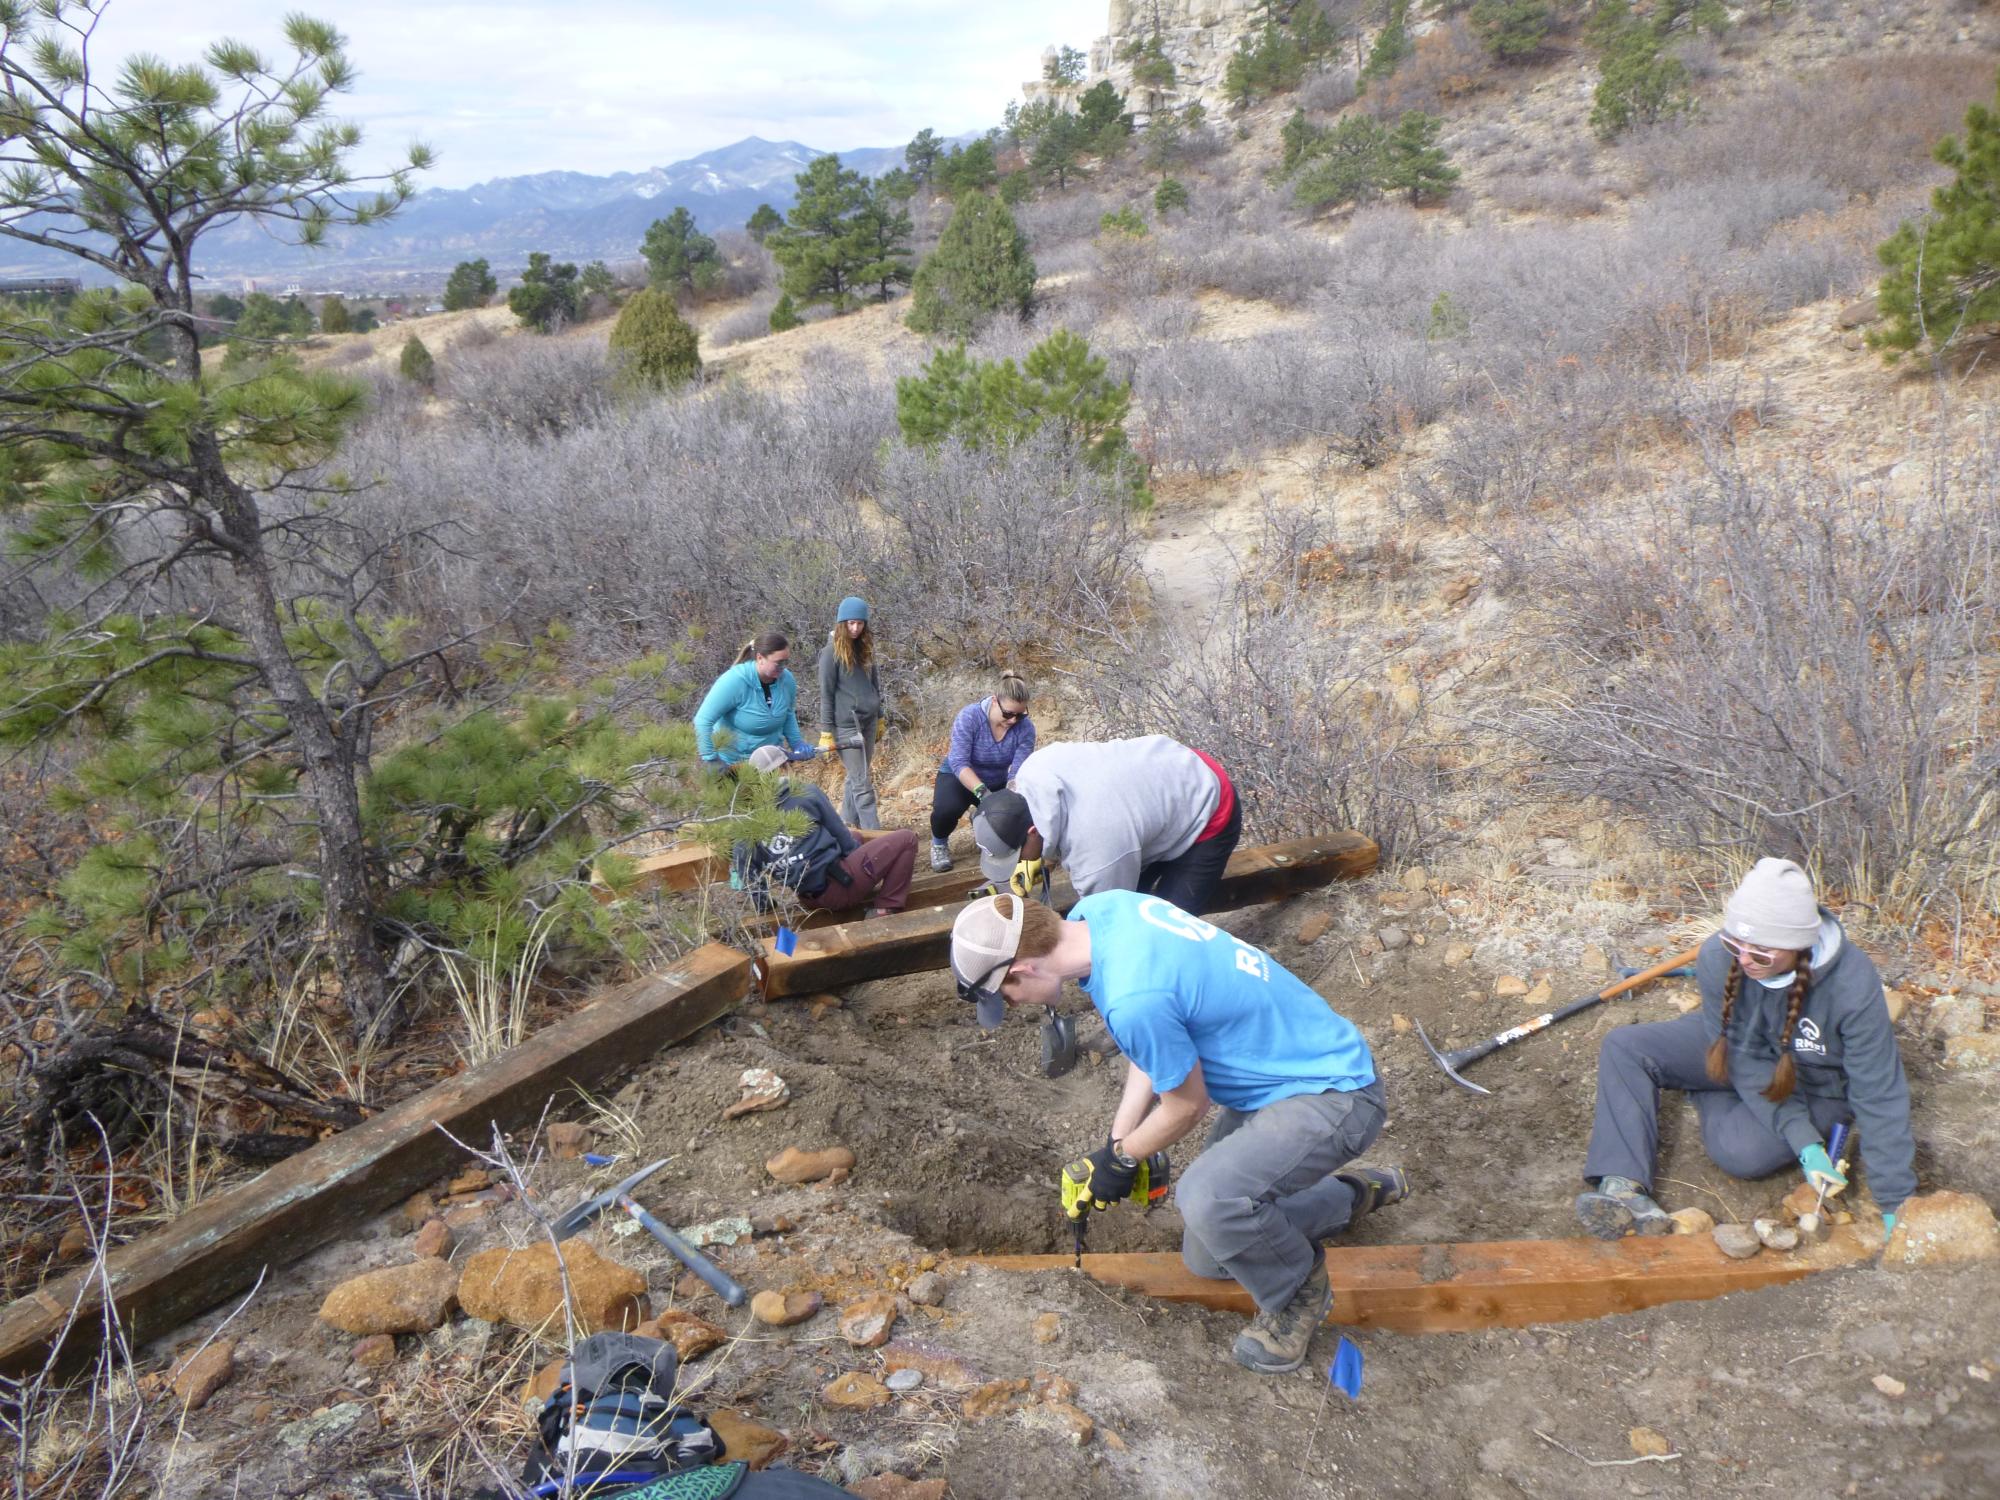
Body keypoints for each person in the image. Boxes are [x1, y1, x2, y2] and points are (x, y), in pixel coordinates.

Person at [949, 889, 1407, 1374]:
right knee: (1209, 1258)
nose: (1015, 1005)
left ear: (1022, 971)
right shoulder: (1104, 913)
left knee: (1209, 1200)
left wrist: (1124, 1160)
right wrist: (1117, 1143)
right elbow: (1155, 1045)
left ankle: (1299, 1295)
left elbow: (1186, 1107)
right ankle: (1350, 1196)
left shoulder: (1132, 995)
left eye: (1008, 997)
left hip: (1334, 1094)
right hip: (1276, 1077)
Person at [1574, 857, 1916, 1240]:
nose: (1745, 960)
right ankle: (1624, 1188)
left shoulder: (1851, 985)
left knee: (1741, 1153)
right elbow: (1742, 1052)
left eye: (1762, 953)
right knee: (1626, 1047)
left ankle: (1709, 1092)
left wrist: (1895, 1206)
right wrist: (1801, 1140)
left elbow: (1879, 1093)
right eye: (1735, 943)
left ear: (1798, 946)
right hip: (1735, 1046)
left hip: (1812, 1080)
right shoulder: (1720, 957)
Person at [971, 735, 1242, 915]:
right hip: (1160, 777)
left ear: (1032, 832)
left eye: (1016, 856)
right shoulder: (1033, 769)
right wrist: (1044, 857)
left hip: (1207, 803)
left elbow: (1110, 920)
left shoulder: (1097, 851)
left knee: (1168, 926)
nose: (1017, 863)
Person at [734, 744, 917, 917]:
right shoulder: (806, 794)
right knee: (907, 839)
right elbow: (843, 839)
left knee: (857, 836)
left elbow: (745, 867)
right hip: (839, 890)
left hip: (807, 898)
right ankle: (886, 908)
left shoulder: (747, 818)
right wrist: (862, 870)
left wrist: (763, 904)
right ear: (783, 768)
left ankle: (849, 888)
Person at [929, 674, 1035, 873]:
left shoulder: (1025, 728)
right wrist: (983, 793)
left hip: (996, 779)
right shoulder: (970, 716)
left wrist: (1008, 799)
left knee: (1013, 811)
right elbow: (959, 761)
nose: (1014, 720)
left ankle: (992, 838)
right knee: (946, 810)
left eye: (1020, 715)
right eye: (1008, 714)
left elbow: (1019, 770)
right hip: (958, 776)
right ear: (995, 700)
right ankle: (939, 844)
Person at [693, 631, 815, 774]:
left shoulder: (787, 680)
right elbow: (702, 720)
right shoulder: (734, 681)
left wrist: (797, 743)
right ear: (760, 658)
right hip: (734, 765)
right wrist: (711, 759)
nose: (783, 667)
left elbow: (788, 714)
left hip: (772, 762)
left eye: (786, 662)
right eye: (778, 663)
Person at [816, 596, 883, 830]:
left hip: (869, 720)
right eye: (850, 623)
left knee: (855, 777)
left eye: (860, 623)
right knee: (862, 784)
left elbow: (875, 685)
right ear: (841, 623)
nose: (855, 628)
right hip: (846, 725)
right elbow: (826, 695)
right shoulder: (830, 653)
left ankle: (846, 823)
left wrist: (881, 715)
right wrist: (826, 731)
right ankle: (874, 835)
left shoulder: (865, 650)